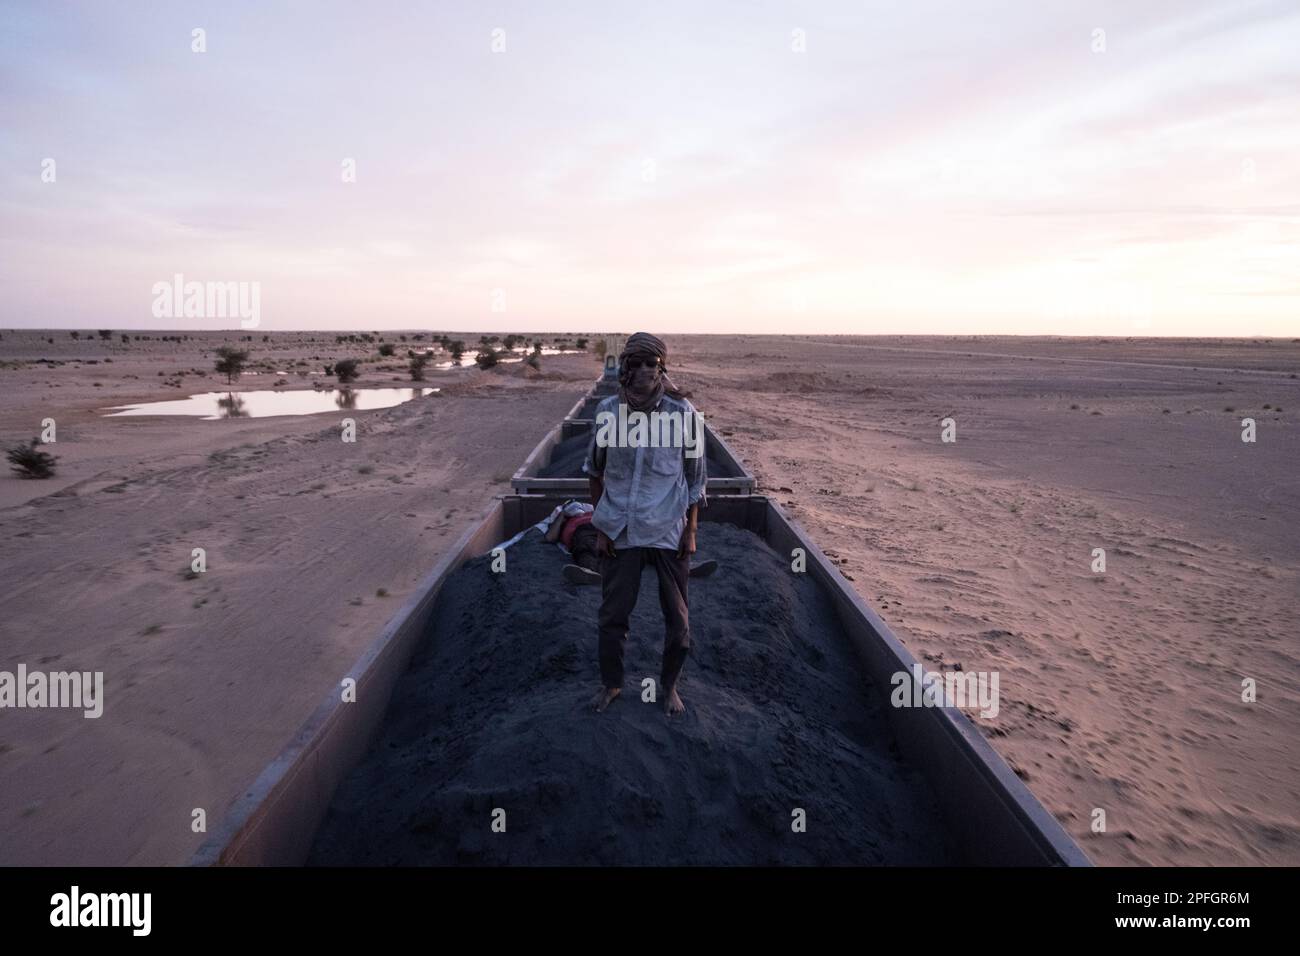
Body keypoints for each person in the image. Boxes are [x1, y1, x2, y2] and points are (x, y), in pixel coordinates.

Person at [582, 332, 707, 715]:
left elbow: (695, 478)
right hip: (621, 529)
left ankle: (669, 687)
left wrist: (691, 531)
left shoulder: (684, 415)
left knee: (678, 618)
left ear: (661, 368)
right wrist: (601, 528)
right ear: (624, 368)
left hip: (669, 528)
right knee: (613, 614)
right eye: (635, 364)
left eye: (650, 364)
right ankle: (612, 684)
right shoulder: (607, 413)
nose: (643, 372)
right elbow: (594, 472)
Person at [546, 504, 718, 585]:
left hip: (609, 524)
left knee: (647, 541)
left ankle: (682, 566)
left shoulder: (591, 506)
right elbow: (550, 538)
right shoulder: (566, 516)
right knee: (587, 545)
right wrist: (563, 514)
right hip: (583, 529)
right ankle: (590, 571)